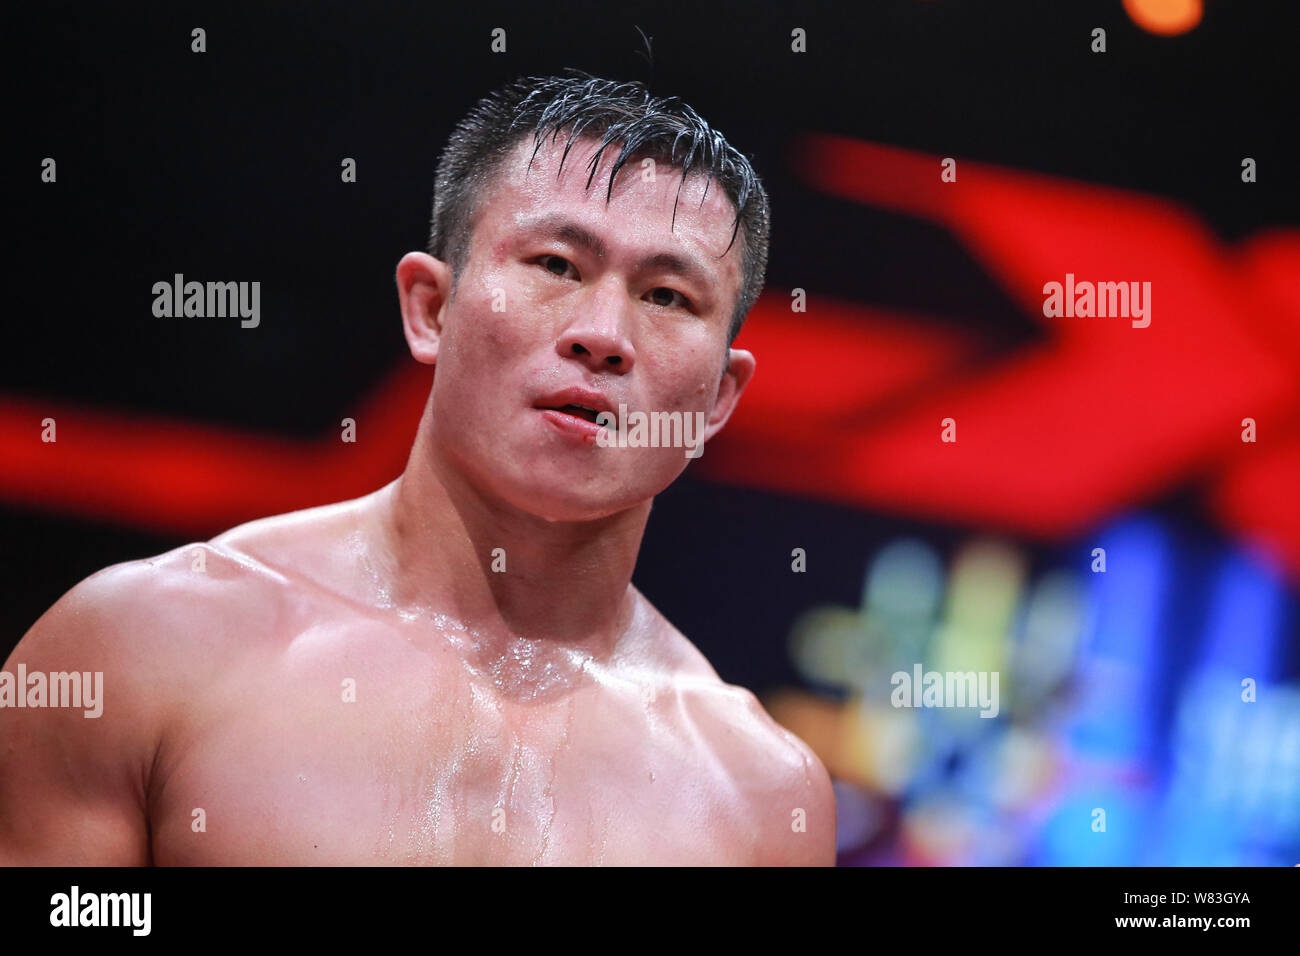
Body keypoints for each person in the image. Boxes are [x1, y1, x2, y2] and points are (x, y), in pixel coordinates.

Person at [0, 72, 836, 865]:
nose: (603, 333)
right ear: (430, 309)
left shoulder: (759, 793)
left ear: (719, 399)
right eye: (556, 265)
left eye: (667, 297)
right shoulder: (140, 646)